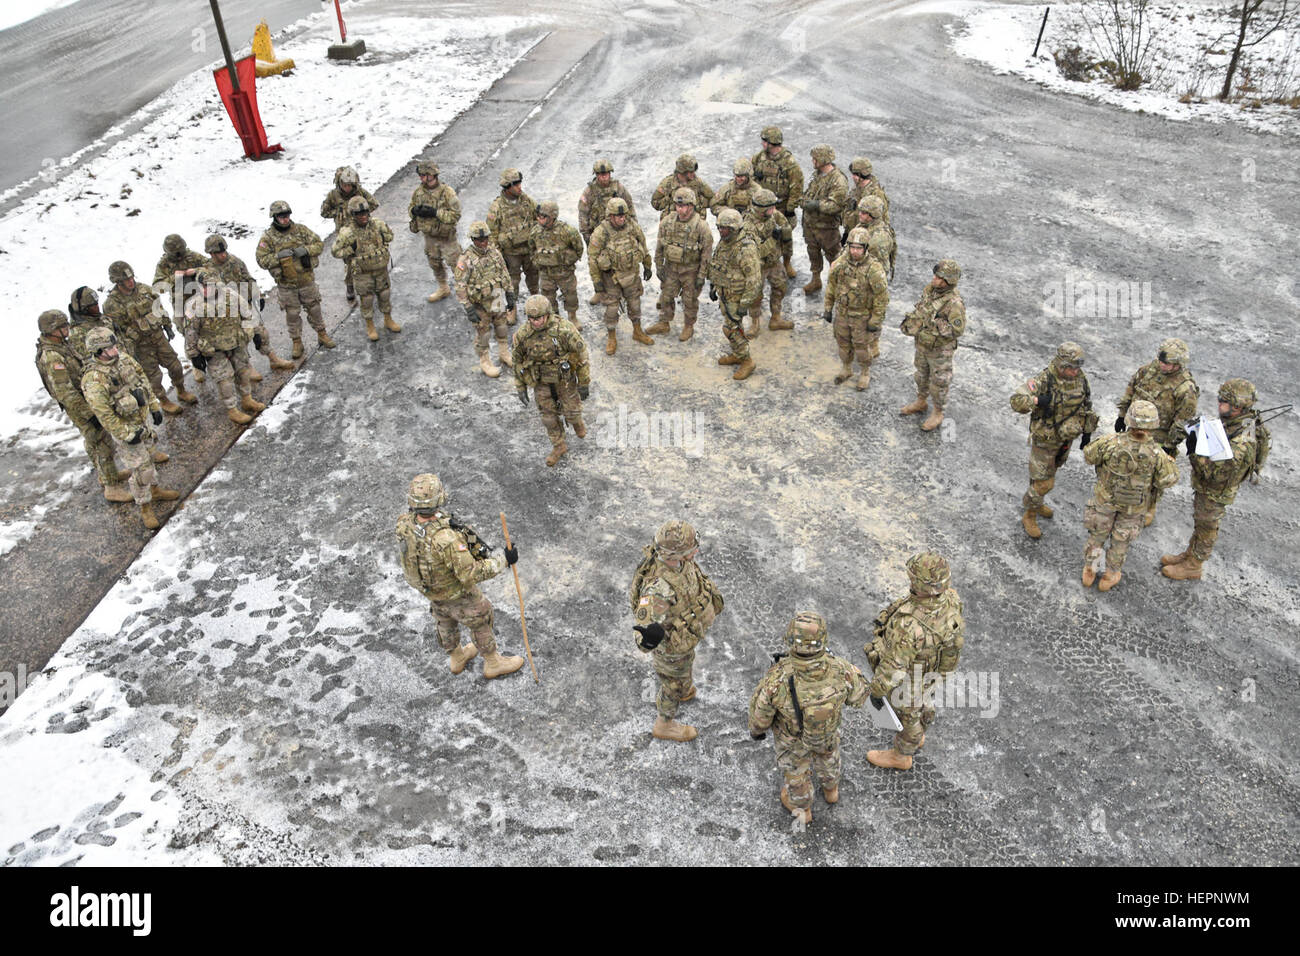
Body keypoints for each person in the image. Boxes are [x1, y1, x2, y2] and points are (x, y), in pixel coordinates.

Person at [396, 474, 525, 680]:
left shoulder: (404, 524)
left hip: (432, 591)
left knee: (444, 620)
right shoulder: (446, 540)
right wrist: (504, 560)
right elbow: (471, 573)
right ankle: (493, 663)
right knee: (480, 618)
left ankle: (457, 658)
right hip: (456, 593)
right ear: (439, 499)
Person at [748, 612, 869, 824]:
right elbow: (859, 698)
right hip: (827, 731)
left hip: (792, 739)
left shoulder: (777, 678)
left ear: (789, 641)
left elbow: (760, 717)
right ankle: (831, 790)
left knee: (796, 773)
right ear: (823, 640)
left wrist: (757, 732)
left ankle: (803, 809)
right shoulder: (842, 668)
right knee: (828, 756)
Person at [1162, 379, 1270, 581]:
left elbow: (1215, 475)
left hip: (1216, 491)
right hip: (1210, 486)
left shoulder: (1243, 441)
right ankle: (1190, 554)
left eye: (1224, 402)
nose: (1219, 404)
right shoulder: (1236, 421)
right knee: (1200, 523)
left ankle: (1194, 565)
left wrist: (1194, 451)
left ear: (1238, 407)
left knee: (1207, 526)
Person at [865, 552, 964, 771]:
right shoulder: (952, 599)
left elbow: (893, 668)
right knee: (924, 700)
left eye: (913, 578)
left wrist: (876, 690)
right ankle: (921, 730)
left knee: (907, 713)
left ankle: (902, 754)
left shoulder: (909, 627)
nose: (910, 580)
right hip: (934, 670)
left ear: (921, 584)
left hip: (910, 678)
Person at [630, 520, 724, 742]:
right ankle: (664, 724)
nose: (696, 552)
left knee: (684, 666)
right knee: (672, 685)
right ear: (675, 554)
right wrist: (650, 637)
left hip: (685, 640)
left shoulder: (678, 562)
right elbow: (641, 635)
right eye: (691, 550)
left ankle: (684, 686)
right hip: (671, 649)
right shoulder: (658, 589)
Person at [80, 327, 180, 530]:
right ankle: (145, 507)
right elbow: (104, 414)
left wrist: (153, 406)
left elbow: (143, 381)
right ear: (98, 352)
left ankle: (156, 490)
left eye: (115, 346)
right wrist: (126, 434)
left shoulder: (124, 360)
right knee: (141, 470)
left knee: (150, 458)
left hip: (143, 422)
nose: (115, 350)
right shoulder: (93, 379)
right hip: (126, 430)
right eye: (109, 348)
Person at [1081, 400, 1178, 591]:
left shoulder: (1110, 442)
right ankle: (1109, 576)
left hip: (1105, 501)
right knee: (1120, 541)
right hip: (1134, 508)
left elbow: (1088, 456)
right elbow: (1168, 480)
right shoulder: (1157, 454)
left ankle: (1090, 570)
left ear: (1129, 420)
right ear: (1153, 425)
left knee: (1097, 535)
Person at [34, 309, 131, 502]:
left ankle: (107, 475)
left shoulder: (61, 345)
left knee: (94, 441)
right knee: (102, 443)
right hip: (80, 406)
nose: (67, 328)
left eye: (65, 324)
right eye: (62, 326)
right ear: (50, 330)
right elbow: (65, 392)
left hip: (85, 400)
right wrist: (90, 414)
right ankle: (111, 487)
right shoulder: (53, 356)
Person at [1009, 342, 1100, 539]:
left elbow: (1086, 404)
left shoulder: (1080, 379)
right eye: (1069, 367)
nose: (1074, 372)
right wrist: (1037, 401)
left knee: (1043, 478)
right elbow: (1016, 400)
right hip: (1045, 441)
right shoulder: (1045, 379)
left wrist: (1087, 432)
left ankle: (1037, 502)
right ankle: (1029, 514)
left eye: (1077, 367)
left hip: (1065, 440)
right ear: (1060, 364)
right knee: (1044, 484)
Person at [1115, 338, 1199, 526]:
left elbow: (1183, 420)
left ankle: (1150, 506)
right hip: (1135, 428)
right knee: (1127, 462)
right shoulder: (1148, 371)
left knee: (1153, 476)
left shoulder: (1186, 388)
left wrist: (1170, 446)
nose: (1162, 365)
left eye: (1167, 363)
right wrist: (1122, 415)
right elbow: (1131, 389)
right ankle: (1125, 497)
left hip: (1160, 438)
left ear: (1178, 364)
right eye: (1161, 360)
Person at [103, 260, 194, 414]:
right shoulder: (112, 304)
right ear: (117, 282)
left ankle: (181, 390)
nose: (130, 282)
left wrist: (167, 326)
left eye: (131, 278)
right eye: (126, 280)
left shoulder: (144, 289)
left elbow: (158, 307)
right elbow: (117, 332)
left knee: (175, 366)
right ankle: (163, 400)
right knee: (153, 376)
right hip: (140, 345)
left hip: (157, 336)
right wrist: (128, 351)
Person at [512, 295, 590, 467]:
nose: (536, 322)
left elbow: (582, 356)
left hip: (564, 380)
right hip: (540, 381)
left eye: (538, 318)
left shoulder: (564, 330)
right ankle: (559, 446)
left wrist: (584, 383)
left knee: (572, 411)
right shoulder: (523, 335)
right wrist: (520, 387)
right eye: (531, 319)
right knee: (548, 418)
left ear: (547, 314)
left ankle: (577, 423)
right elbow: (517, 362)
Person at [203, 234, 296, 372]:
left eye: (224, 251)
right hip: (228, 312)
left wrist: (257, 294)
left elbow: (248, 278)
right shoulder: (206, 270)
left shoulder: (235, 261)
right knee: (240, 341)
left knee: (261, 333)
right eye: (219, 253)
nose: (223, 255)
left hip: (246, 305)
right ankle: (248, 368)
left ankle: (273, 359)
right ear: (211, 253)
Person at [184, 269, 265, 425]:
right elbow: (190, 332)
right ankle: (232, 410)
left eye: (211, 285)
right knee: (224, 380)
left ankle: (247, 399)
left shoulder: (231, 296)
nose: (207, 289)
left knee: (243, 372)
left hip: (236, 344)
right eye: (204, 286)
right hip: (214, 351)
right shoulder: (194, 305)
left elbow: (247, 315)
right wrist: (194, 355)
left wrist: (255, 333)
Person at [255, 201, 335, 358]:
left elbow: (318, 244)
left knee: (314, 309)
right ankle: (297, 342)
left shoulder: (301, 230)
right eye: (281, 216)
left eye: (287, 216)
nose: (285, 219)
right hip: (286, 285)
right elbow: (261, 259)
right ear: (275, 217)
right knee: (292, 314)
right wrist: (278, 257)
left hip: (306, 280)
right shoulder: (268, 238)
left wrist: (305, 249)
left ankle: (322, 334)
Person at [899, 259, 966, 430]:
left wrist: (935, 326)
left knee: (939, 382)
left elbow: (956, 330)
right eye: (935, 275)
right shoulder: (930, 290)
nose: (934, 279)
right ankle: (921, 401)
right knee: (921, 375)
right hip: (922, 344)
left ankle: (938, 412)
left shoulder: (954, 304)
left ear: (948, 281)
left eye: (938, 277)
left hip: (940, 351)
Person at [823, 227, 888, 390]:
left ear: (866, 248)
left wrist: (876, 320)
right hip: (843, 313)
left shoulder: (874, 269)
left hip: (862, 316)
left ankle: (865, 372)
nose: (855, 251)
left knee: (861, 348)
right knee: (843, 344)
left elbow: (882, 297)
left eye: (859, 248)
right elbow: (832, 285)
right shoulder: (840, 264)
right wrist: (828, 307)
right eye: (852, 247)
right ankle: (846, 368)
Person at [587, 197, 654, 355]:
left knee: (635, 304)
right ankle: (612, 337)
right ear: (610, 216)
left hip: (631, 273)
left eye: (624, 215)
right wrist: (597, 282)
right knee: (612, 309)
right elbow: (593, 258)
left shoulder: (632, 226)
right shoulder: (601, 232)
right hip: (611, 278)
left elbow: (642, 244)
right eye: (618, 216)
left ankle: (637, 331)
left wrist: (647, 264)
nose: (622, 218)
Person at [331, 196, 399, 341]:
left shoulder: (377, 225)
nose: (363, 217)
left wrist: (383, 235)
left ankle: (388, 319)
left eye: (365, 213)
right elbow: (335, 252)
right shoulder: (347, 232)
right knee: (367, 299)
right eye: (359, 214)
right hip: (363, 273)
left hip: (380, 269)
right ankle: (370, 326)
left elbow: (390, 236)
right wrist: (351, 249)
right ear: (353, 215)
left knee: (385, 295)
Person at [649, 187, 712, 341]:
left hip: (691, 270)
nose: (680, 209)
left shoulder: (701, 227)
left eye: (684, 206)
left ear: (692, 206)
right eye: (678, 205)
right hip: (671, 268)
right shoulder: (667, 222)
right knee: (666, 295)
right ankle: (664, 322)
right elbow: (660, 246)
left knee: (689, 300)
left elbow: (706, 254)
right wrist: (659, 266)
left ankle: (688, 326)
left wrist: (701, 275)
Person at [706, 208, 761, 380]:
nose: (722, 231)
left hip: (737, 296)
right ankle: (738, 354)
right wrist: (714, 287)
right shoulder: (726, 242)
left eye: (726, 228)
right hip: (725, 293)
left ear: (735, 229)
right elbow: (718, 264)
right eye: (720, 227)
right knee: (734, 327)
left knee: (730, 329)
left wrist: (745, 304)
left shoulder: (745, 249)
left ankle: (747, 360)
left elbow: (754, 280)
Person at [454, 221, 514, 377]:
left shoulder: (494, 252)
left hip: (496, 296)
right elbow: (460, 286)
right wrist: (468, 307)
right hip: (480, 304)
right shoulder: (465, 259)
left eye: (486, 238)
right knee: (483, 334)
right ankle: (485, 361)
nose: (483, 242)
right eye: (479, 240)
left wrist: (510, 293)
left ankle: (504, 353)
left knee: (502, 326)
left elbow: (504, 273)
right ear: (473, 240)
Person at [320, 165, 378, 303]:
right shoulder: (333, 195)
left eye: (349, 185)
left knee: (366, 258)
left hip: (362, 230)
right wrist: (338, 212)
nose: (347, 188)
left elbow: (374, 204)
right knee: (349, 262)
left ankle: (369, 284)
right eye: (344, 185)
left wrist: (362, 211)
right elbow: (324, 211)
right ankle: (350, 286)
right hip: (345, 234)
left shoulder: (360, 193)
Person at [751, 126, 804, 278]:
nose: (762, 144)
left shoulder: (789, 162)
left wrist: (790, 208)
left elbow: (797, 186)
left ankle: (786, 263)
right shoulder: (759, 158)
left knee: (785, 237)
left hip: (781, 207)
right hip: (762, 207)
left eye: (764, 141)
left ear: (771, 143)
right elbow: (750, 177)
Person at [487, 167, 539, 320]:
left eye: (519, 183)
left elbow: (538, 218)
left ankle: (536, 302)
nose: (519, 187)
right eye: (515, 184)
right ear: (507, 187)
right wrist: (497, 256)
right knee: (512, 282)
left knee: (534, 278)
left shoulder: (527, 201)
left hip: (528, 249)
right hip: (511, 253)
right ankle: (512, 308)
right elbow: (492, 234)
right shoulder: (497, 208)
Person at [408, 160, 462, 303]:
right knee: (435, 263)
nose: (422, 178)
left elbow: (455, 215)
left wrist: (435, 213)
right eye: (420, 176)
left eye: (424, 175)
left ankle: (467, 292)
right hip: (430, 237)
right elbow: (411, 207)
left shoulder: (447, 193)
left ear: (432, 175)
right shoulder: (419, 192)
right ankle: (443, 287)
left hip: (446, 238)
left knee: (458, 266)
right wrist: (414, 211)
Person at [741, 188, 792, 336]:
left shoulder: (774, 215)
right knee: (755, 295)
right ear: (761, 210)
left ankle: (776, 318)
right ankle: (755, 323)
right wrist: (773, 239)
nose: (774, 210)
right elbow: (755, 253)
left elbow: (786, 228)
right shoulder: (748, 226)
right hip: (758, 266)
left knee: (780, 288)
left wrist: (786, 250)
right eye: (771, 208)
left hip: (774, 262)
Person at [800, 144, 849, 295]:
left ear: (822, 159)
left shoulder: (838, 180)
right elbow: (809, 192)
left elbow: (836, 205)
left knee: (834, 256)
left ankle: (840, 286)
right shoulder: (817, 175)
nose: (812, 161)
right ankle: (816, 280)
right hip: (810, 225)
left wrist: (816, 205)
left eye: (815, 159)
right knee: (813, 252)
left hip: (827, 228)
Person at [527, 200, 585, 328]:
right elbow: (531, 249)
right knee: (548, 297)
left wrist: (568, 260)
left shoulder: (567, 231)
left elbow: (578, 248)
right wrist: (537, 262)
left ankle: (572, 317)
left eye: (543, 216)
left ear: (552, 217)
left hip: (564, 272)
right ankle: (554, 319)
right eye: (539, 216)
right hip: (546, 273)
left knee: (570, 295)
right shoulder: (535, 232)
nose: (539, 219)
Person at [578, 158, 638, 242]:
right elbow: (583, 214)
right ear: (596, 175)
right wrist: (587, 236)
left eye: (606, 173)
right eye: (601, 174)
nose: (604, 176)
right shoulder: (589, 192)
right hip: (599, 234)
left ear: (610, 173)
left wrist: (634, 228)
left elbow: (630, 207)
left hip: (619, 231)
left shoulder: (618, 188)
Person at [650, 153, 714, 218]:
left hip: (694, 222)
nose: (694, 174)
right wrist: (670, 199)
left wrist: (699, 201)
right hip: (672, 222)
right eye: (691, 172)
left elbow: (713, 199)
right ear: (683, 171)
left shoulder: (698, 183)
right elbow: (655, 203)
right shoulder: (668, 183)